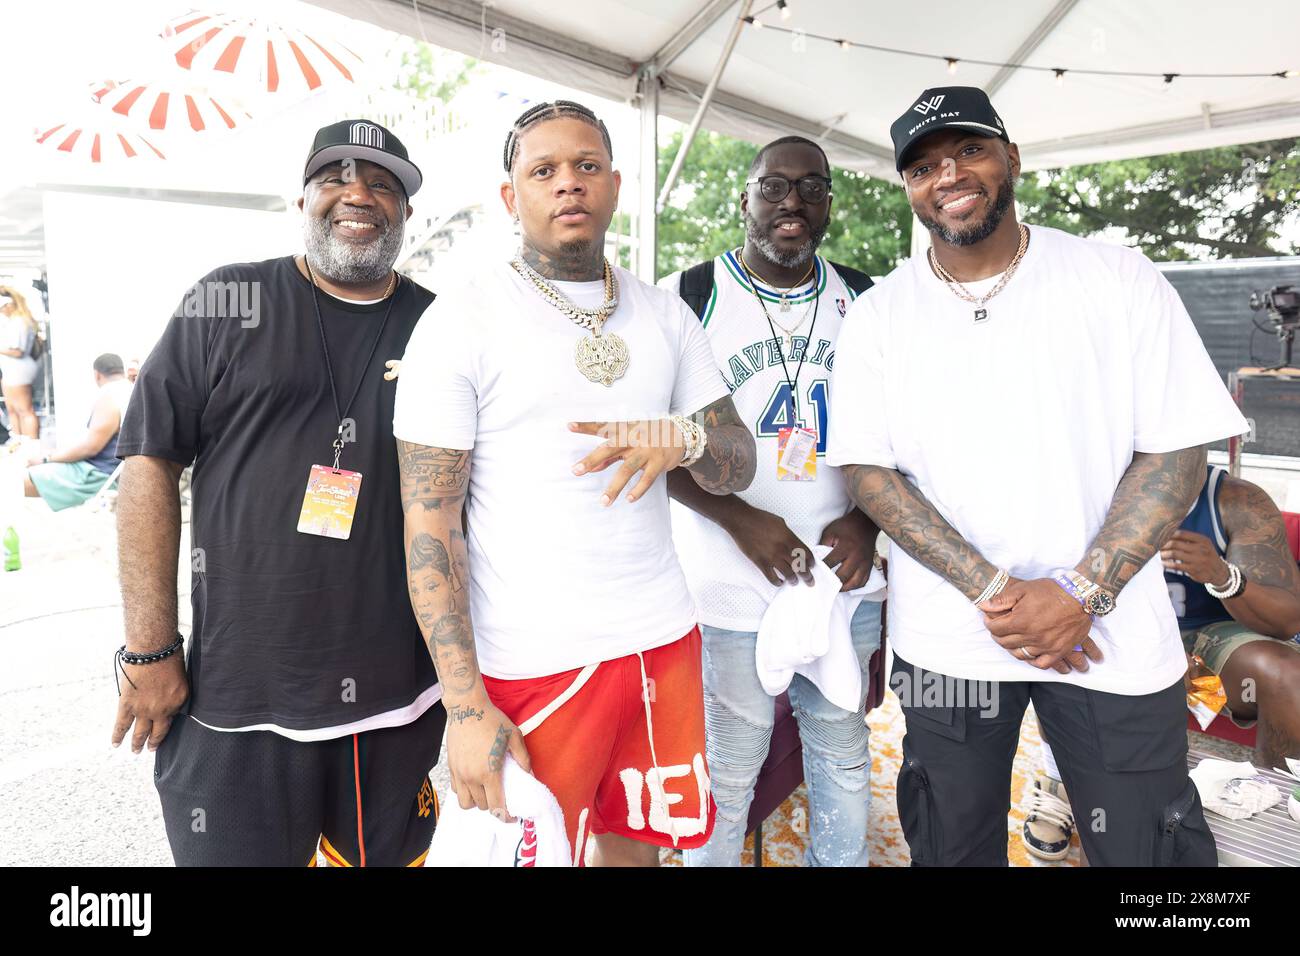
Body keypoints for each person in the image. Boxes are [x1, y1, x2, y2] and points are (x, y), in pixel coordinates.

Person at [828, 86, 1249, 866]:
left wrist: (1082, 592)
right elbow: (868, 472)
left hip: (1111, 639)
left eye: (969, 150)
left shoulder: (1117, 278)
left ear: (1011, 158)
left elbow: (1178, 451)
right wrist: (996, 592)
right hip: (948, 646)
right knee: (951, 842)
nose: (947, 174)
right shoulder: (879, 315)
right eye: (922, 166)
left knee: (1146, 849)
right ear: (908, 188)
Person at [393, 100, 757, 867]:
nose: (569, 184)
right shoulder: (462, 321)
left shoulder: (666, 316)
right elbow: (430, 525)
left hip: (661, 637)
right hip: (532, 657)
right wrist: (464, 706)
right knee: (540, 853)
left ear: (616, 185)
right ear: (509, 196)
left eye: (586, 166)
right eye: (544, 170)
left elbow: (737, 459)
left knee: (640, 851)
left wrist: (684, 436)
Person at [114, 119, 444, 867]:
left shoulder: (441, 325)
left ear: (405, 213)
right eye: (335, 177)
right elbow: (147, 461)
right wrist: (149, 647)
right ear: (303, 200)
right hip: (238, 702)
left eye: (382, 183)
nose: (357, 194)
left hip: (396, 704)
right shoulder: (228, 299)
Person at [658, 136, 883, 866]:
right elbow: (652, 446)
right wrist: (739, 517)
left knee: (844, 756)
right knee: (728, 769)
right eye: (775, 186)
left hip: (845, 572)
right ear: (744, 198)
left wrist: (867, 520)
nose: (793, 202)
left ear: (828, 203)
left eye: (812, 187)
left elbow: (903, 431)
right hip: (726, 578)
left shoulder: (868, 298)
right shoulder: (687, 296)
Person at [1025, 465, 1300, 859]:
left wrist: (1223, 576)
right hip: (1106, 625)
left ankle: (1275, 810)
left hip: (1209, 632)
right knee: (1061, 639)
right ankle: (1060, 784)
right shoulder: (1081, 486)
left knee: (1286, 673)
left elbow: (1288, 619)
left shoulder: (1235, 501)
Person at [23, 353, 132, 510]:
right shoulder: (132, 390)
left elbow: (90, 448)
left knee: (17, 483)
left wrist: (47, 458)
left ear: (97, 375)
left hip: (98, 473)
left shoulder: (110, 397)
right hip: (116, 469)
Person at [0, 285, 41, 441]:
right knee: (12, 410)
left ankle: (31, 445)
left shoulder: (20, 321)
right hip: (10, 370)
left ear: (9, 305)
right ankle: (18, 443)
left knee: (24, 410)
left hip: (19, 370)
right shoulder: (12, 321)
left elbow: (18, 351)